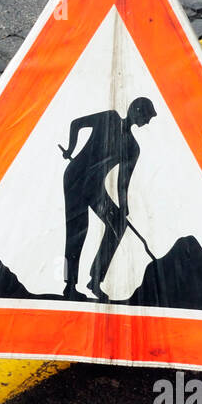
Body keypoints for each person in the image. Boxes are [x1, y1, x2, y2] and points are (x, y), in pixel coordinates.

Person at [58, 97, 157, 300]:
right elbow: (76, 124)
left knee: (118, 225)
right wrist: (70, 150)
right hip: (76, 178)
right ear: (136, 111)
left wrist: (124, 208)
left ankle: (95, 279)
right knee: (77, 232)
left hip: (94, 186)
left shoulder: (133, 148)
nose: (147, 121)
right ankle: (70, 286)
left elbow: (123, 182)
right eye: (147, 116)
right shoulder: (109, 118)